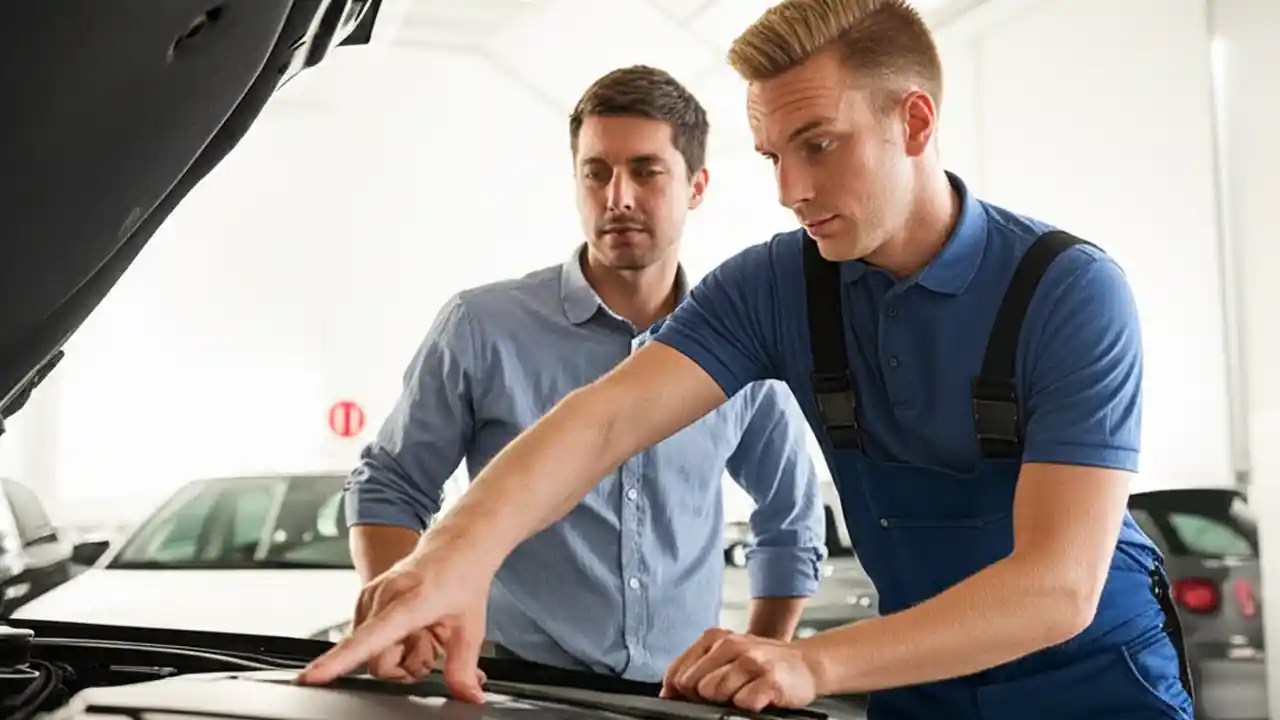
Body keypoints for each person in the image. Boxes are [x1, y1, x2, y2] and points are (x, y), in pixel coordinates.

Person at [299, 1, 1194, 717]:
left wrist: (809, 662)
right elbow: (603, 419)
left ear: (914, 122)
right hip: (915, 688)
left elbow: (1057, 587)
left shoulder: (1068, 291)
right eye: (772, 154)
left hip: (1096, 682)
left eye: (819, 145)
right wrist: (449, 559)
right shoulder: (776, 286)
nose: (789, 191)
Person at [338, 64, 826, 686]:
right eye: (596, 173)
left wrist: (756, 662)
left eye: (646, 171)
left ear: (696, 186)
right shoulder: (482, 327)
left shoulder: (741, 348)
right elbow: (390, 485)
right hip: (510, 687)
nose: (617, 197)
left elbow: (791, 518)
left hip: (675, 698)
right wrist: (405, 619)